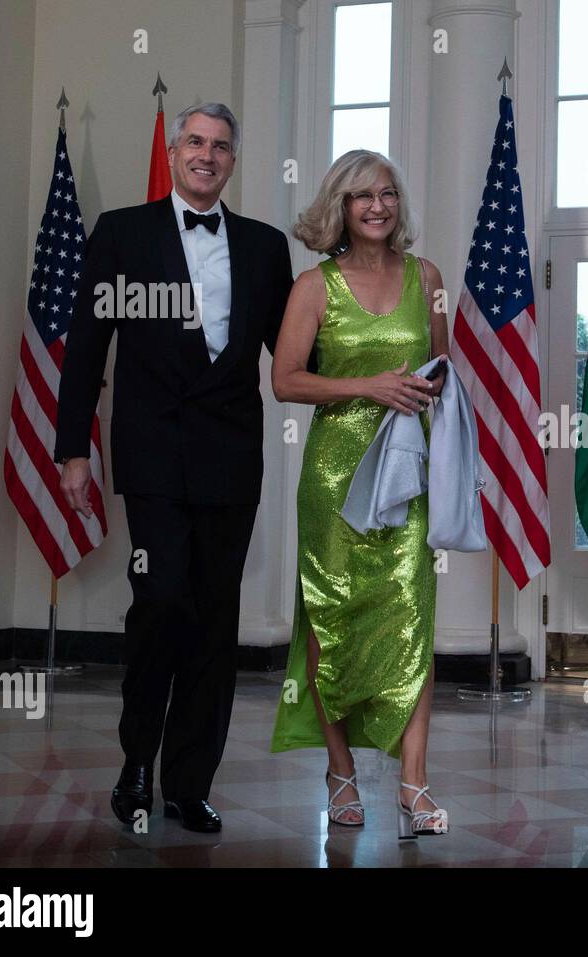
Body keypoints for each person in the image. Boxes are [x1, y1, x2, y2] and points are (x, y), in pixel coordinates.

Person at [55, 103, 294, 833]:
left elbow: (294, 352)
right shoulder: (122, 233)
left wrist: (378, 352)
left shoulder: (263, 246)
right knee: (161, 603)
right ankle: (136, 762)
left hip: (230, 463)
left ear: (233, 160)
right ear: (174, 150)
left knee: (215, 621)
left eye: (222, 145)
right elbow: (87, 346)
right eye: (195, 141)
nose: (207, 154)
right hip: (154, 456)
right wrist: (73, 449)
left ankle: (189, 782)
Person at [269, 149, 450, 838]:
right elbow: (285, 379)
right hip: (335, 477)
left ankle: (413, 781)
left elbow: (442, 366)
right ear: (339, 208)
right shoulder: (314, 287)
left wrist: (422, 387)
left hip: (405, 473)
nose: (377, 206)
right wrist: (366, 386)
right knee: (331, 618)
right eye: (361, 196)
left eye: (388, 194)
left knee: (412, 611)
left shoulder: (427, 277)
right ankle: (340, 769)